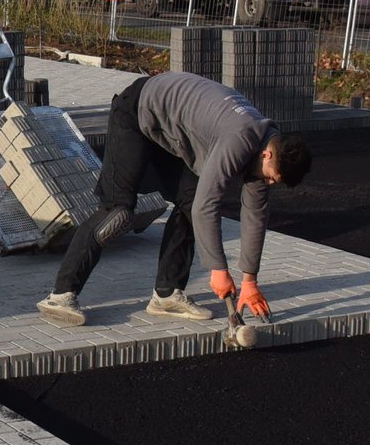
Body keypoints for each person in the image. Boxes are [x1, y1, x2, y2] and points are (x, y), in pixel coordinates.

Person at [37, 71, 311, 328]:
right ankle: (61, 294)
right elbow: (209, 205)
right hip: (136, 111)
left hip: (169, 126)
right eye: (273, 177)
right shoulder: (240, 138)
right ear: (268, 155)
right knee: (117, 211)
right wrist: (218, 269)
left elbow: (255, 216)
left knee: (190, 204)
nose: (270, 183)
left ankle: (166, 295)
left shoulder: (267, 148)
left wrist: (250, 280)